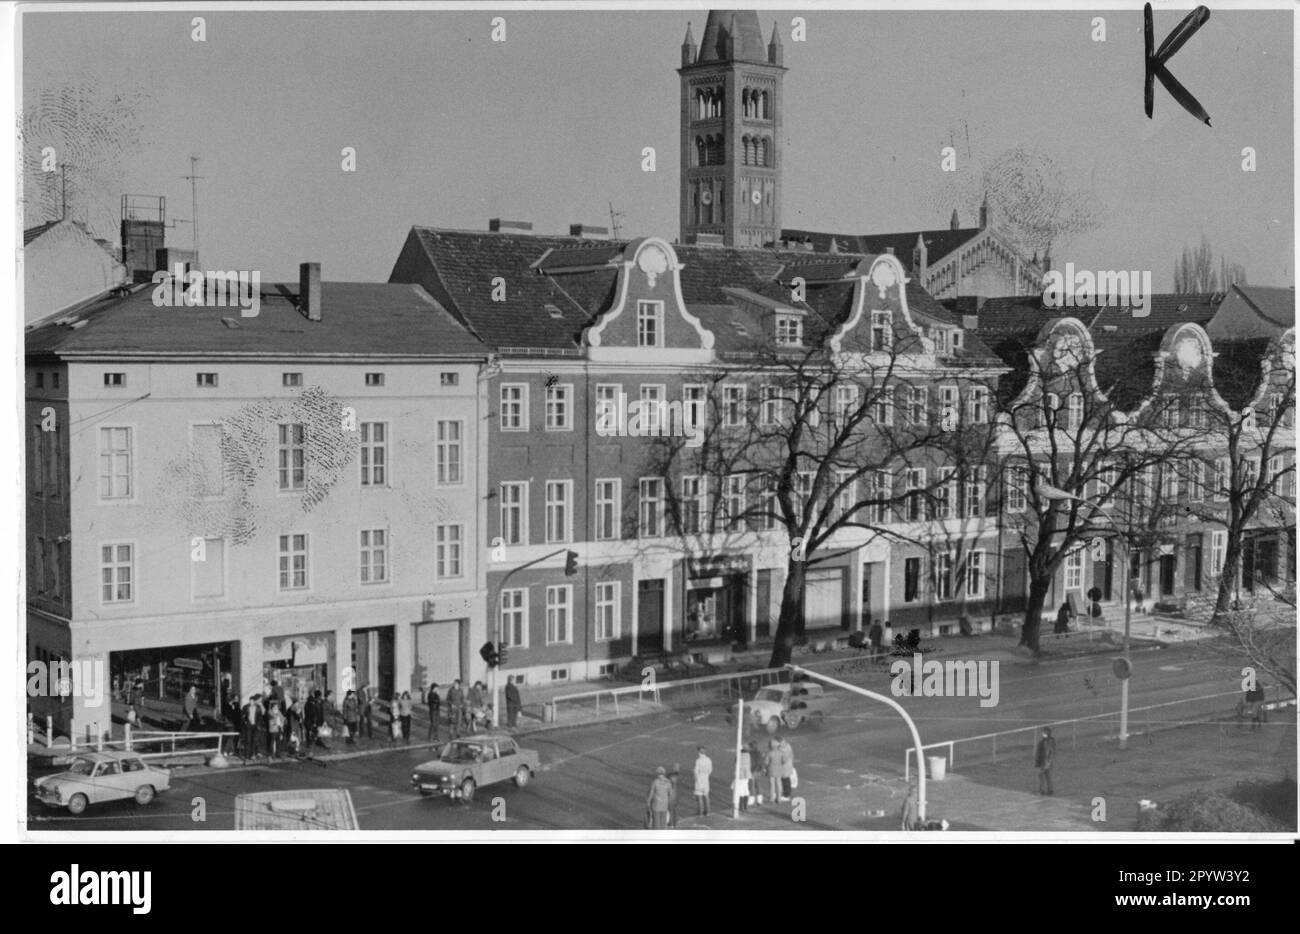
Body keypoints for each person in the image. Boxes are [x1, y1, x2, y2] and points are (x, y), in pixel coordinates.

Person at [1035, 726, 1056, 795]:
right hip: (1049, 761)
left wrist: (1041, 762)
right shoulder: (1052, 740)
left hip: (1044, 762)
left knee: (1041, 776)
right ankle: (1050, 790)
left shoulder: (1044, 742)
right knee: (1048, 776)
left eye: (1043, 732)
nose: (1042, 734)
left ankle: (1042, 790)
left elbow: (1045, 753)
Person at [693, 746, 712, 817]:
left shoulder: (698, 760)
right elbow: (710, 770)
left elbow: (696, 771)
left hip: (699, 779)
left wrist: (695, 778)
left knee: (699, 796)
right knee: (706, 796)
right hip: (706, 779)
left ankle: (700, 812)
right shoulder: (709, 760)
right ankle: (708, 812)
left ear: (699, 752)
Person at [734, 744, 753, 811]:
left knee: (741, 790)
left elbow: (736, 762)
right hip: (747, 774)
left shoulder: (739, 755)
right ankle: (745, 806)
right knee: (745, 789)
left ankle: (741, 806)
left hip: (740, 774)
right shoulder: (748, 755)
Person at [777, 736, 795, 801]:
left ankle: (786, 795)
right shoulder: (788, 746)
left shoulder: (782, 749)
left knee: (785, 781)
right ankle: (787, 793)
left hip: (784, 767)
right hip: (788, 766)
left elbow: (783, 759)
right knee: (787, 780)